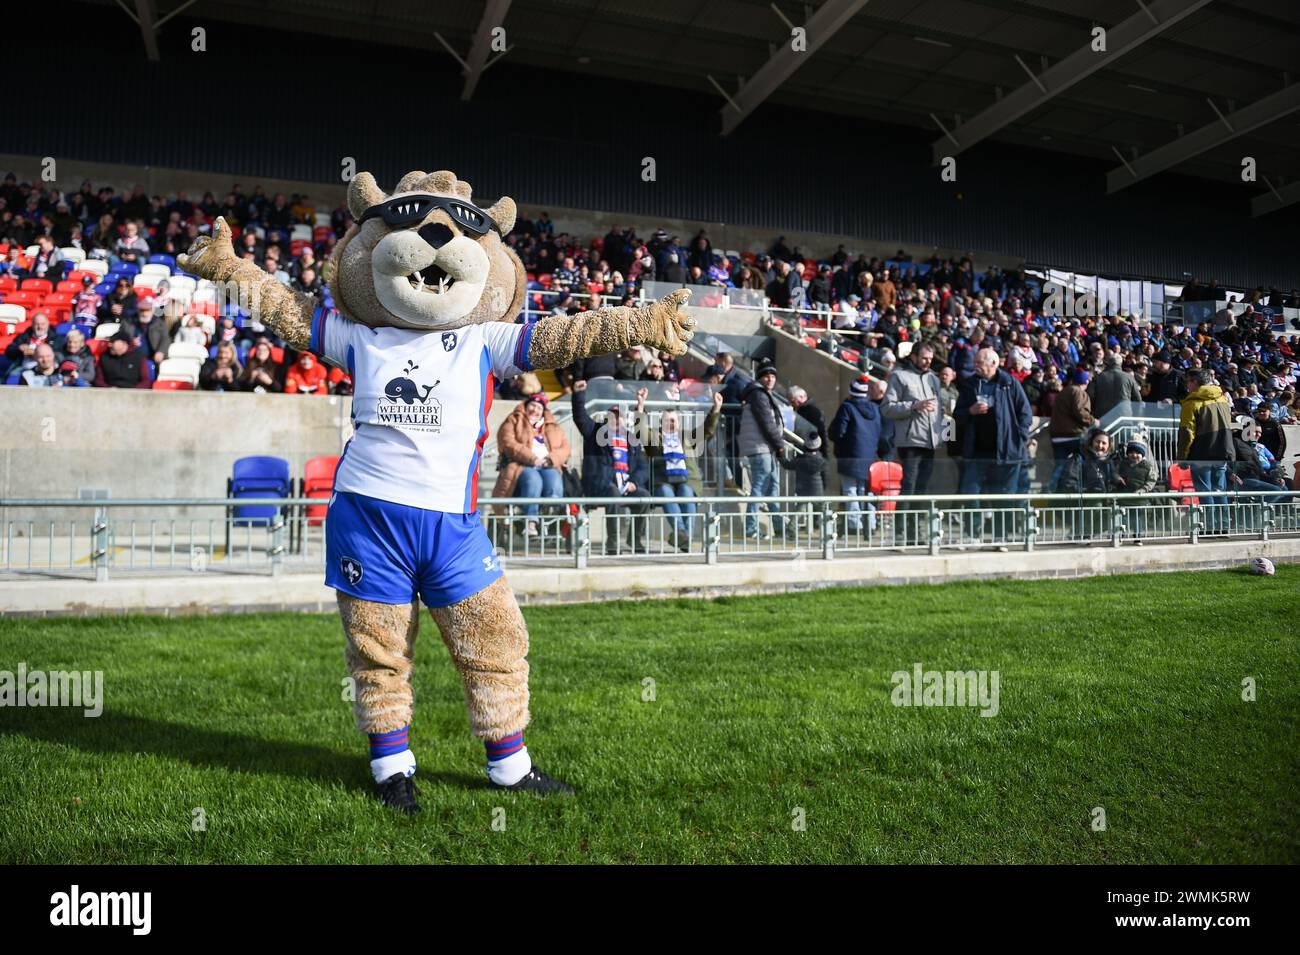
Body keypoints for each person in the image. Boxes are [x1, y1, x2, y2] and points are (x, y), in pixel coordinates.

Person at [954, 348, 1033, 539]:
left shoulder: (1009, 383)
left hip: (1006, 452)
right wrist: (970, 411)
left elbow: (1025, 413)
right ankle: (972, 534)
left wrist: (1017, 437)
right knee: (970, 492)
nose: (975, 366)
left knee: (1003, 498)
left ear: (994, 364)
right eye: (975, 363)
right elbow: (958, 415)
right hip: (976, 451)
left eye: (980, 363)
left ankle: (1001, 536)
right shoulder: (969, 385)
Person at [571, 380, 652, 554]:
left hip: (626, 485)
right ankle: (613, 542)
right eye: (611, 415)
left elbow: (643, 467)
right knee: (613, 493)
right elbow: (580, 418)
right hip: (601, 485)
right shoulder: (595, 432)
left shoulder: (632, 439)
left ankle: (635, 540)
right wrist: (578, 395)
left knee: (644, 496)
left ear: (624, 419)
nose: (615, 419)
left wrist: (635, 483)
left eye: (619, 416)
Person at [643, 390, 722, 551]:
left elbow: (707, 430)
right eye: (667, 421)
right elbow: (641, 432)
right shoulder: (655, 437)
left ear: (678, 423)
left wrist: (716, 409)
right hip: (663, 481)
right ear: (661, 423)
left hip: (687, 480)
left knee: (687, 493)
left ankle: (683, 538)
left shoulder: (686, 436)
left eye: (673, 421)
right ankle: (683, 534)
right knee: (666, 493)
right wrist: (640, 406)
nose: (671, 424)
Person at [491, 392, 571, 537]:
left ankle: (550, 516)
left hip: (547, 465)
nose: (535, 410)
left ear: (543, 411)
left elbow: (565, 448)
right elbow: (508, 442)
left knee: (554, 479)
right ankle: (531, 522)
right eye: (532, 405)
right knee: (533, 479)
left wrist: (551, 459)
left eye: (539, 408)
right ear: (526, 406)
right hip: (521, 465)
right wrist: (532, 459)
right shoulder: (514, 420)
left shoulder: (553, 426)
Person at [1178, 369, 1236, 534]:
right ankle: (1223, 527)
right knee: (1219, 491)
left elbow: (1187, 433)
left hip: (1201, 453)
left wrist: (1182, 458)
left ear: (1195, 382)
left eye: (1188, 382)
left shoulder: (1191, 403)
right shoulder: (1223, 399)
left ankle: (1210, 528)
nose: (1187, 386)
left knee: (1206, 492)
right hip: (1223, 451)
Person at [882, 342, 944, 497]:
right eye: (924, 358)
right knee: (909, 483)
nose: (928, 362)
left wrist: (942, 435)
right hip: (910, 440)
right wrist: (914, 406)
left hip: (930, 441)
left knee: (923, 484)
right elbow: (887, 408)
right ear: (913, 357)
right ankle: (905, 520)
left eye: (930, 359)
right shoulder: (899, 376)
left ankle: (918, 518)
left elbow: (939, 410)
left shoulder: (933, 379)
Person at [830, 375, 884, 535]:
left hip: (849, 456)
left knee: (850, 490)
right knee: (866, 491)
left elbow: (839, 431)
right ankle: (871, 523)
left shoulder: (847, 407)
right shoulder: (875, 409)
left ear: (851, 392)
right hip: (869, 457)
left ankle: (855, 525)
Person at [738, 362, 787, 539]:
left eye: (773, 376)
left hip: (767, 447)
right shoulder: (759, 395)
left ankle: (779, 527)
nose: (770, 379)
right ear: (759, 377)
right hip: (760, 448)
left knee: (773, 487)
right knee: (759, 487)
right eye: (766, 375)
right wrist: (780, 445)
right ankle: (751, 529)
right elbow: (767, 423)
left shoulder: (761, 394)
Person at [1048, 369, 1096, 491]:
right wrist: (1093, 421)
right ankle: (1080, 489)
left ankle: (1052, 490)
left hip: (1057, 436)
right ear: (1085, 382)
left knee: (1059, 466)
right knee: (1083, 463)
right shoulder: (1079, 392)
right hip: (1074, 435)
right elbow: (1080, 412)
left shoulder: (1063, 391)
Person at [1114, 439, 1158, 543]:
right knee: (1122, 518)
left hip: (1139, 500)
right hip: (1124, 498)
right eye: (1131, 452)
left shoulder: (1147, 466)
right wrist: (1117, 478)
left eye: (1138, 453)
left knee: (1138, 520)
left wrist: (1144, 489)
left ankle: (1138, 537)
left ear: (1142, 455)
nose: (1134, 455)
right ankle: (1121, 536)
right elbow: (1115, 473)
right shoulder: (1122, 464)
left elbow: (1152, 480)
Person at [1087, 352, 1143, 418]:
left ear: (1108, 363)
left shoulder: (1098, 377)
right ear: (1121, 364)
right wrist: (1137, 417)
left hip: (1102, 416)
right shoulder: (1129, 377)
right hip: (1123, 417)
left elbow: (1090, 395)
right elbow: (1137, 400)